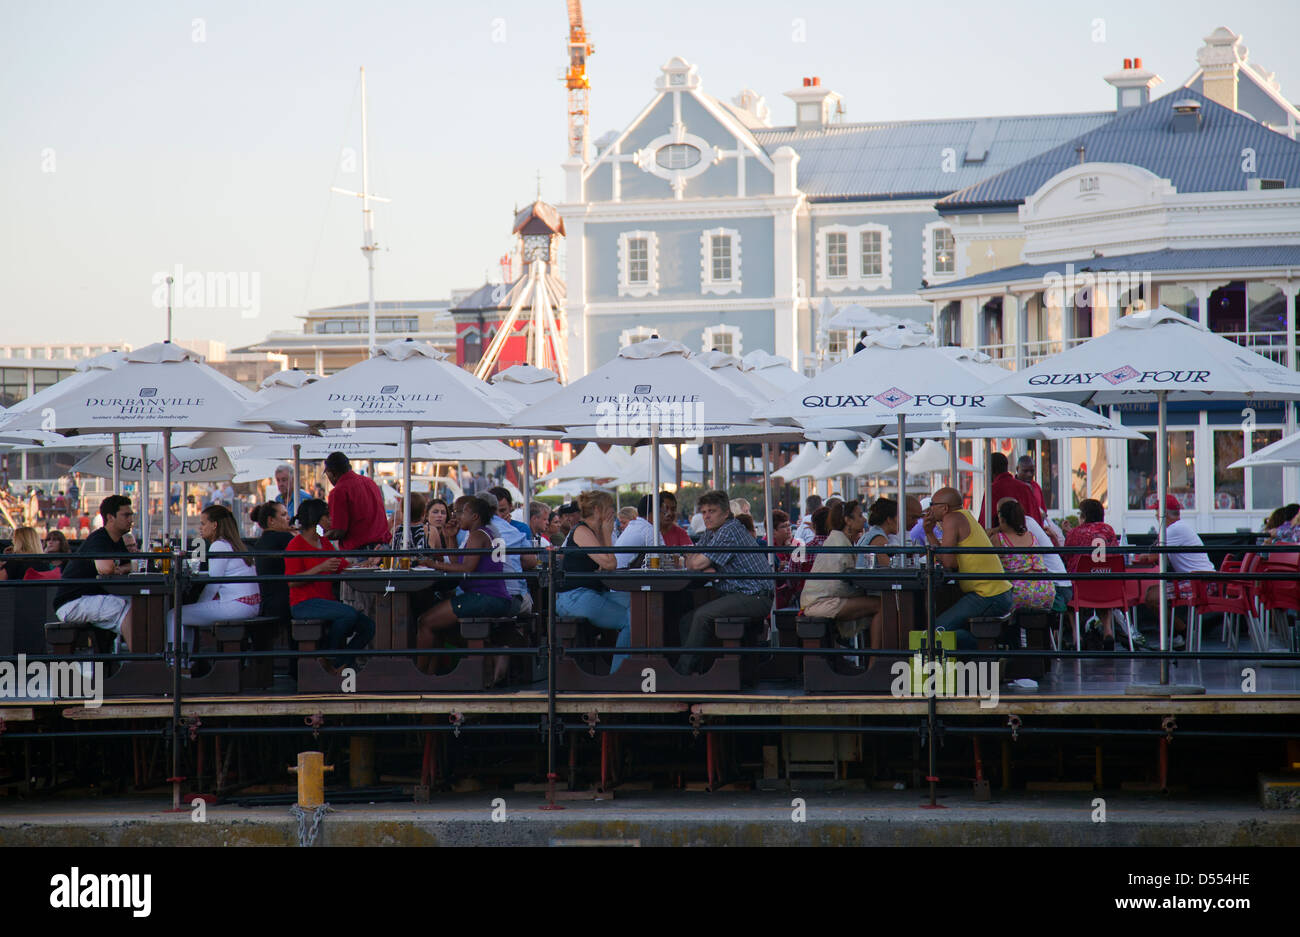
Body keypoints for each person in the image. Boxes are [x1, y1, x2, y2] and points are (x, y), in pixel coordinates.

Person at [677, 490, 774, 675]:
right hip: (739, 593)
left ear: (726, 513)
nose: (706, 516)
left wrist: (697, 563)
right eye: (703, 512)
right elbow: (695, 559)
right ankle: (697, 672)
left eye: (712, 511)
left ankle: (683, 673)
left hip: (754, 595)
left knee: (701, 616)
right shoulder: (713, 531)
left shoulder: (729, 530)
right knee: (686, 621)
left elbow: (695, 562)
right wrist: (698, 564)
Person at [417, 496, 513, 681]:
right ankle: (431, 674)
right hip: (493, 597)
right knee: (439, 626)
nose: (456, 516)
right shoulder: (483, 533)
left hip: (484, 597)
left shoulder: (478, 535)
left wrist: (431, 563)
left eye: (461, 512)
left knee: (426, 621)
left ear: (475, 516)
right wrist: (450, 537)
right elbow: (457, 562)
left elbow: (466, 568)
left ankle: (419, 675)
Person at [284, 499, 375, 672]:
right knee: (348, 614)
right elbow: (291, 581)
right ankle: (332, 658)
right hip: (303, 603)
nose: (331, 518)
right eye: (327, 515)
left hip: (325, 601)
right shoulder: (295, 545)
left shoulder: (323, 542)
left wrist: (366, 563)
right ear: (316, 519)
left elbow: (342, 565)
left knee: (368, 626)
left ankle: (337, 660)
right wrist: (320, 568)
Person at [166, 505, 261, 667]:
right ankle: (184, 661)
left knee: (174, 615)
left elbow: (213, 584)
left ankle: (177, 663)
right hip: (252, 605)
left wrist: (200, 605)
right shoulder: (236, 544)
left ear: (214, 525)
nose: (200, 528)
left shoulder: (219, 545)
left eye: (203, 523)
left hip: (236, 605)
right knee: (187, 615)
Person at [923, 487, 1013, 650]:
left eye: (932, 504)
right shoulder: (965, 516)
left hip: (988, 595)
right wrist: (929, 533)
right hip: (998, 592)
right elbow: (951, 560)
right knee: (946, 627)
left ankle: (984, 649)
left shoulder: (952, 518)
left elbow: (949, 563)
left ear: (944, 508)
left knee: (936, 631)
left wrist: (930, 534)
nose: (929, 509)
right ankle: (986, 649)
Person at [555, 490, 632, 672]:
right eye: (610, 507)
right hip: (573, 596)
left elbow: (606, 565)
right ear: (598, 509)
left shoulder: (594, 531)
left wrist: (605, 532)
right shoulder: (582, 531)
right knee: (631, 621)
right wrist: (607, 531)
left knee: (637, 606)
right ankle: (619, 673)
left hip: (590, 592)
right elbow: (610, 563)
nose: (613, 511)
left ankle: (634, 663)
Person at [52, 496, 136, 649]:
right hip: (72, 602)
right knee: (125, 607)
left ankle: (144, 659)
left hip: (90, 598)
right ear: (110, 517)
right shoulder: (99, 539)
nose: (131, 519)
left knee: (139, 606)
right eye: (126, 515)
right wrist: (120, 568)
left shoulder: (118, 541)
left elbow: (131, 565)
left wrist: (121, 569)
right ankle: (142, 662)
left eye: (131, 515)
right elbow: (106, 569)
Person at [800, 500, 880, 658]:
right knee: (881, 606)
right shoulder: (839, 543)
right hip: (820, 603)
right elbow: (836, 585)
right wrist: (860, 594)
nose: (864, 519)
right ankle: (875, 659)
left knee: (877, 604)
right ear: (847, 520)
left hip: (818, 600)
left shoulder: (839, 540)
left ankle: (872, 658)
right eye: (859, 515)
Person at [1133, 495, 1214, 649]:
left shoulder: (1173, 530)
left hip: (1200, 583)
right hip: (1202, 580)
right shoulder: (1179, 527)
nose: (1155, 514)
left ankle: (1182, 633)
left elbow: (1155, 555)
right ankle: (1178, 633)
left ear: (1164, 513)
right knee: (1153, 593)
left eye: (1157, 511)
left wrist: (1144, 557)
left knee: (1152, 597)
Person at [988, 499, 1056, 613]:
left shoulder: (998, 539)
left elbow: (989, 566)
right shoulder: (1031, 536)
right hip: (1046, 590)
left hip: (1019, 592)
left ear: (1002, 519)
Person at [322, 452, 389, 553]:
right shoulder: (370, 482)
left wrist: (318, 538)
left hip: (360, 552)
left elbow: (339, 531)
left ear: (332, 473)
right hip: (383, 549)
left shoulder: (339, 491)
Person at [614, 491, 692, 568]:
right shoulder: (650, 530)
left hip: (616, 574)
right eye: (663, 512)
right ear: (655, 512)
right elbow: (664, 562)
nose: (666, 515)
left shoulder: (634, 525)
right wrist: (675, 559)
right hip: (624, 576)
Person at [250, 502, 295, 623]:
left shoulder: (261, 542)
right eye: (284, 514)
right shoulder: (285, 538)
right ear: (271, 520)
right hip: (286, 603)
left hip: (267, 604)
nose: (289, 518)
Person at [979, 451, 1043, 527]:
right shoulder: (1025, 488)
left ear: (991, 470)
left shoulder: (992, 490)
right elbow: (1037, 520)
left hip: (1002, 538)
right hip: (1028, 536)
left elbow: (984, 523)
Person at [1016, 455, 1063, 546]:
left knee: (1060, 538)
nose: (1029, 474)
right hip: (1022, 531)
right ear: (1018, 469)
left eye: (1032, 471)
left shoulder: (1036, 486)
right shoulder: (1012, 487)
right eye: (1025, 471)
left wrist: (1042, 514)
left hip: (1041, 526)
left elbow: (1043, 510)